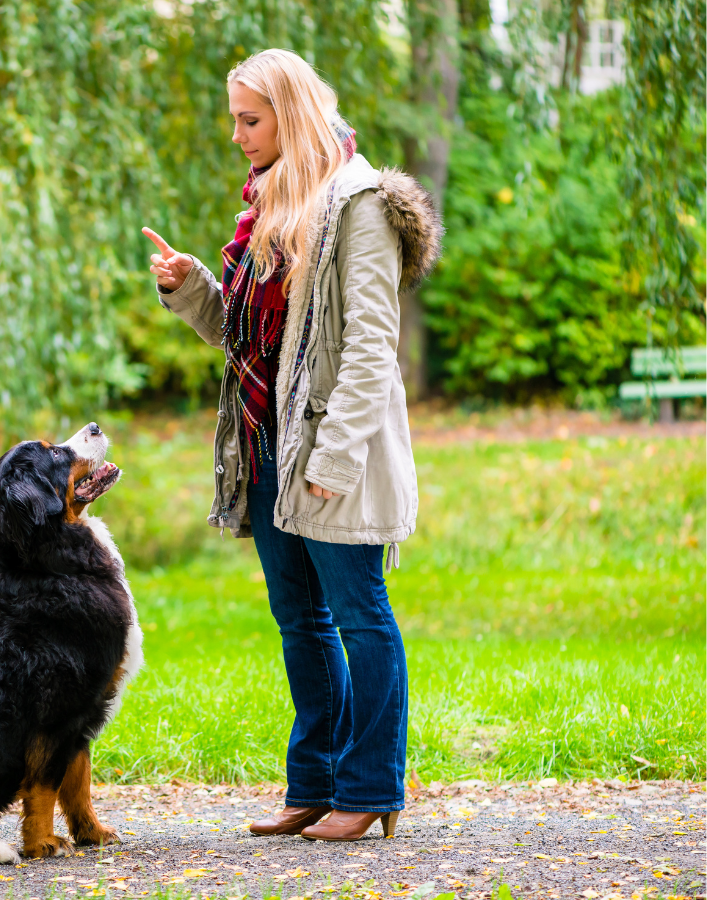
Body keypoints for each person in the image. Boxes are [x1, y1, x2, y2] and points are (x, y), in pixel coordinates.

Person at [143, 49, 442, 842]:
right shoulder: (270, 205)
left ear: (292, 112)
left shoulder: (360, 204)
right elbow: (249, 341)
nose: (238, 136)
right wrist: (191, 287)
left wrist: (333, 461)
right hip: (266, 442)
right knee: (299, 619)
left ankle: (373, 786)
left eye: (251, 119)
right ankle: (315, 782)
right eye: (234, 119)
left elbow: (373, 348)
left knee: (359, 613)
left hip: (333, 453)